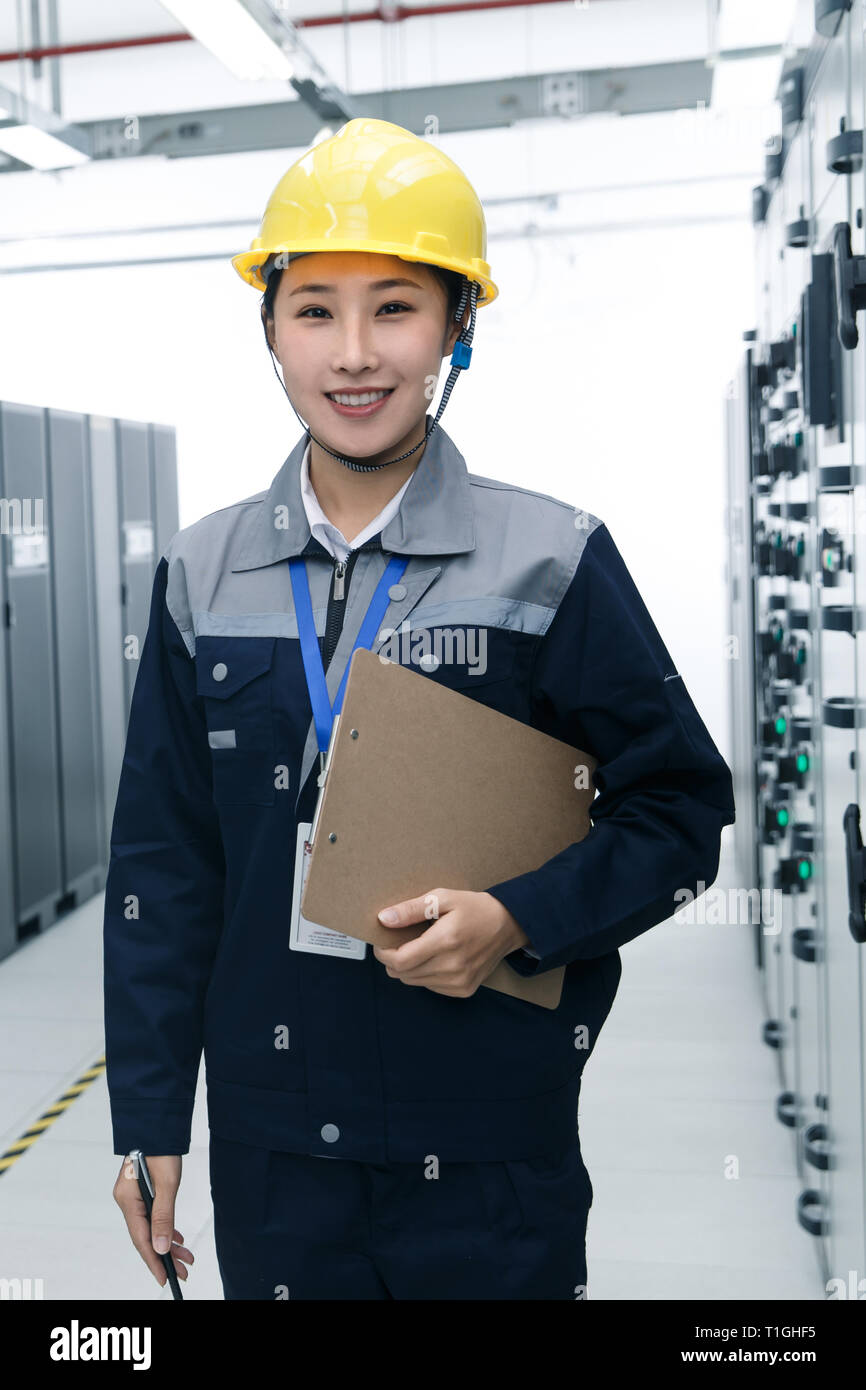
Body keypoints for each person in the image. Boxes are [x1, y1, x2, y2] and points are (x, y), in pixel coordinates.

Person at [106, 117, 736, 1300]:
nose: (353, 354)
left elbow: (679, 814)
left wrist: (516, 915)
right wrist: (149, 1123)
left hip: (490, 1147)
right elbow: (164, 867)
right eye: (314, 308)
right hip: (275, 1153)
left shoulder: (551, 560)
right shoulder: (201, 574)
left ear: (458, 326)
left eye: (394, 306)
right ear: (269, 332)